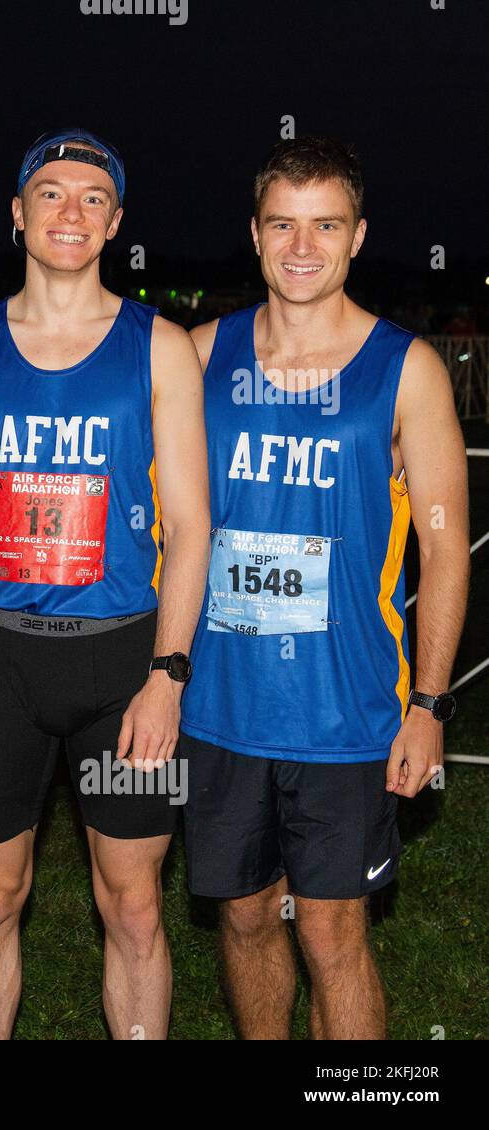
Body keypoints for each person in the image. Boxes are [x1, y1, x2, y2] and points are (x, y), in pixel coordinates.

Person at [0, 129, 210, 1039]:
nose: (69, 212)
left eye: (90, 198)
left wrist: (168, 674)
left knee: (133, 907)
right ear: (17, 215)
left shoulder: (159, 348)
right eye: (49, 194)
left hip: (123, 664)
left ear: (115, 221)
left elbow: (194, 525)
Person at [180, 136, 470, 1039]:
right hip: (218, 705)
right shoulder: (196, 355)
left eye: (326, 225)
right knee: (244, 915)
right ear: (256, 235)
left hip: (347, 711)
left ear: (357, 237)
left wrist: (428, 703)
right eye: (283, 225)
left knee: (334, 932)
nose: (302, 246)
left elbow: (447, 548)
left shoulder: (404, 369)